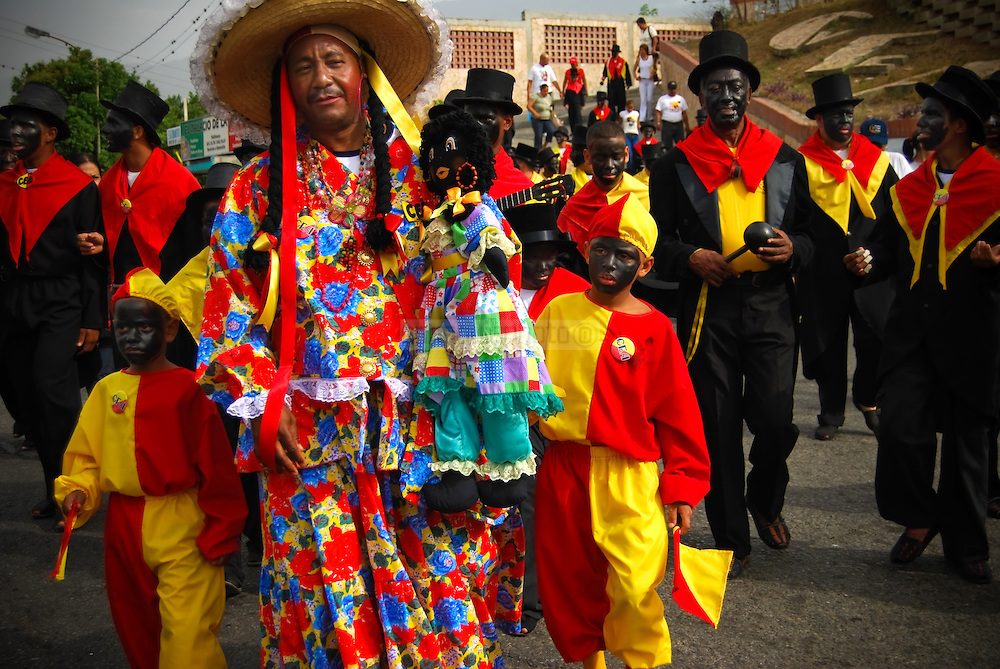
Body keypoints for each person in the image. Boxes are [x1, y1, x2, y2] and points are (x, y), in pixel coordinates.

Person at [191, 0, 524, 663]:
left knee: (439, 590)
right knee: (326, 602)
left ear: (364, 72)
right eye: (303, 66)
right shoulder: (258, 189)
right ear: (286, 87)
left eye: (334, 60)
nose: (320, 77)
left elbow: (494, 272)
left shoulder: (431, 175)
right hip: (310, 437)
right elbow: (227, 304)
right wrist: (264, 399)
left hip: (423, 426)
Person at [648, 31, 815, 578]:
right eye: (715, 85)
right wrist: (692, 257)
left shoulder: (786, 160)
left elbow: (814, 237)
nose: (726, 94)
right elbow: (658, 241)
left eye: (736, 85)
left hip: (770, 306)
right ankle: (730, 540)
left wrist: (794, 250)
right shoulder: (674, 165)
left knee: (776, 422)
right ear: (699, 96)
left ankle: (766, 498)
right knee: (716, 427)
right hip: (709, 311)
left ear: (749, 93)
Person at [534, 193, 711, 669]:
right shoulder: (557, 311)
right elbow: (527, 385)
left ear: (646, 264)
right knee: (573, 583)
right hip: (563, 469)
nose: (610, 263)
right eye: (602, 249)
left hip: (628, 475)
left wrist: (683, 486)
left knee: (635, 583)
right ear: (587, 247)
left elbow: (678, 413)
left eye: (625, 255)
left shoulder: (655, 329)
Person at [844, 66, 1000, 584]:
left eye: (933, 114)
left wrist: (993, 266)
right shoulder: (910, 189)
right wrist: (868, 259)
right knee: (902, 431)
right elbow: (886, 251)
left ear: (958, 126)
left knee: (967, 446)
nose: (921, 121)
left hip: (973, 335)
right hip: (911, 336)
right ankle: (921, 516)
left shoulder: (997, 189)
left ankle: (967, 542)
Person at [55, 268, 247, 669]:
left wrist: (222, 529)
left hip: (182, 523)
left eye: (144, 326)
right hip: (123, 524)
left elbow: (216, 467)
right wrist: (79, 489)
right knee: (137, 626)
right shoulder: (107, 390)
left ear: (171, 329)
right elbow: (86, 454)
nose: (131, 336)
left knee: (187, 633)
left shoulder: (188, 390)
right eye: (122, 327)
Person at [414, 108, 561, 511]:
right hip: (445, 307)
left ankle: (507, 467)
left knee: (498, 387)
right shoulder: (439, 213)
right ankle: (458, 473)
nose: (440, 165)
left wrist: (493, 261)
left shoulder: (473, 208)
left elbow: (492, 242)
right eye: (434, 158)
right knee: (449, 389)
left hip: (481, 309)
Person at [0, 82, 106, 521]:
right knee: (26, 400)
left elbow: (94, 259)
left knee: (56, 397)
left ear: (51, 133)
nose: (15, 132)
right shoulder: (6, 182)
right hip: (14, 299)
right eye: (12, 123)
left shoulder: (79, 186)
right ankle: (51, 488)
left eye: (27, 124)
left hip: (61, 299)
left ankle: (73, 495)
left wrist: (93, 319)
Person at [797, 75, 897, 442]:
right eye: (835, 114)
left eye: (848, 114)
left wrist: (874, 255)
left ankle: (868, 400)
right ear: (818, 120)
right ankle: (831, 411)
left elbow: (894, 218)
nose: (843, 120)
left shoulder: (878, 162)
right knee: (827, 343)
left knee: (874, 340)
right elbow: (795, 219)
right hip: (823, 272)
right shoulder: (801, 164)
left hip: (871, 270)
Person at [504, 202, 588, 636]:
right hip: (501, 413)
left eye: (550, 258)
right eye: (532, 259)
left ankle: (534, 601)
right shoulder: (490, 288)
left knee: (547, 509)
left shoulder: (576, 290)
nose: (542, 268)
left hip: (556, 418)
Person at [558, 121, 649, 256]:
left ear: (626, 154)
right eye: (600, 158)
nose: (609, 165)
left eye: (616, 157)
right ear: (587, 157)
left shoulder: (646, 195)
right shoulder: (573, 207)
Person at [456, 68, 534, 202]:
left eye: (486, 119)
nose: (475, 126)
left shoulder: (522, 190)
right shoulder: (445, 173)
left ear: (507, 122)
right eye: (469, 118)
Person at [655, 80, 690, 150]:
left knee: (681, 145)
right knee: (667, 145)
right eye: (671, 89)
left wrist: (687, 125)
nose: (673, 91)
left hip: (678, 125)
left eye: (674, 89)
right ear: (668, 89)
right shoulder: (662, 99)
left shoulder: (680, 99)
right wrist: (658, 122)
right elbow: (658, 111)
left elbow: (684, 113)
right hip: (667, 125)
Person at [600, 45, 631, 118]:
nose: (614, 53)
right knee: (611, 100)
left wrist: (628, 83)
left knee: (621, 100)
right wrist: (603, 79)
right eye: (613, 52)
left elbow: (627, 73)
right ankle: (612, 116)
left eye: (615, 52)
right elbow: (605, 71)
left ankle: (621, 115)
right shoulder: (608, 62)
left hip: (620, 83)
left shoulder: (623, 62)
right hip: (611, 83)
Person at [528, 82, 558, 150]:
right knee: (539, 135)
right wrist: (535, 113)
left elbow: (550, 106)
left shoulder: (549, 97)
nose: (546, 93)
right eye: (544, 91)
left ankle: (545, 145)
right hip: (537, 119)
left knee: (551, 131)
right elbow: (529, 106)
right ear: (541, 90)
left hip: (547, 118)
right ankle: (537, 149)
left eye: (547, 91)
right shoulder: (535, 97)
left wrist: (552, 114)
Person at [634, 44, 658, 123]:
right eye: (640, 50)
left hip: (649, 80)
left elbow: (655, 68)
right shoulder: (639, 59)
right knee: (643, 99)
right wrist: (636, 76)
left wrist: (653, 74)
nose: (641, 52)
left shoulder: (651, 59)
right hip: (642, 81)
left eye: (643, 50)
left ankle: (649, 115)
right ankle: (642, 117)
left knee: (649, 99)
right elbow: (634, 69)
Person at [562, 56, 587, 130]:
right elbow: (565, 81)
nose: (572, 65)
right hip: (570, 89)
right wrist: (563, 91)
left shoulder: (580, 71)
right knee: (571, 116)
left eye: (574, 64)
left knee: (578, 116)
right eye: (571, 64)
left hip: (578, 89)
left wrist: (585, 89)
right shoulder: (568, 72)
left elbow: (584, 80)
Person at [567, 124, 593, 193]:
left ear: (586, 154)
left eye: (575, 150)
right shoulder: (569, 181)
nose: (571, 155)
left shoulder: (607, 179)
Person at [618, 98, 640, 173]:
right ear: (626, 106)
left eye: (631, 107)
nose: (630, 109)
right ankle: (630, 169)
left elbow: (638, 123)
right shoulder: (622, 114)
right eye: (629, 107)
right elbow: (620, 123)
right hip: (627, 134)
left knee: (636, 151)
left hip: (635, 134)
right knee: (629, 152)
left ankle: (637, 166)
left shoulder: (636, 113)